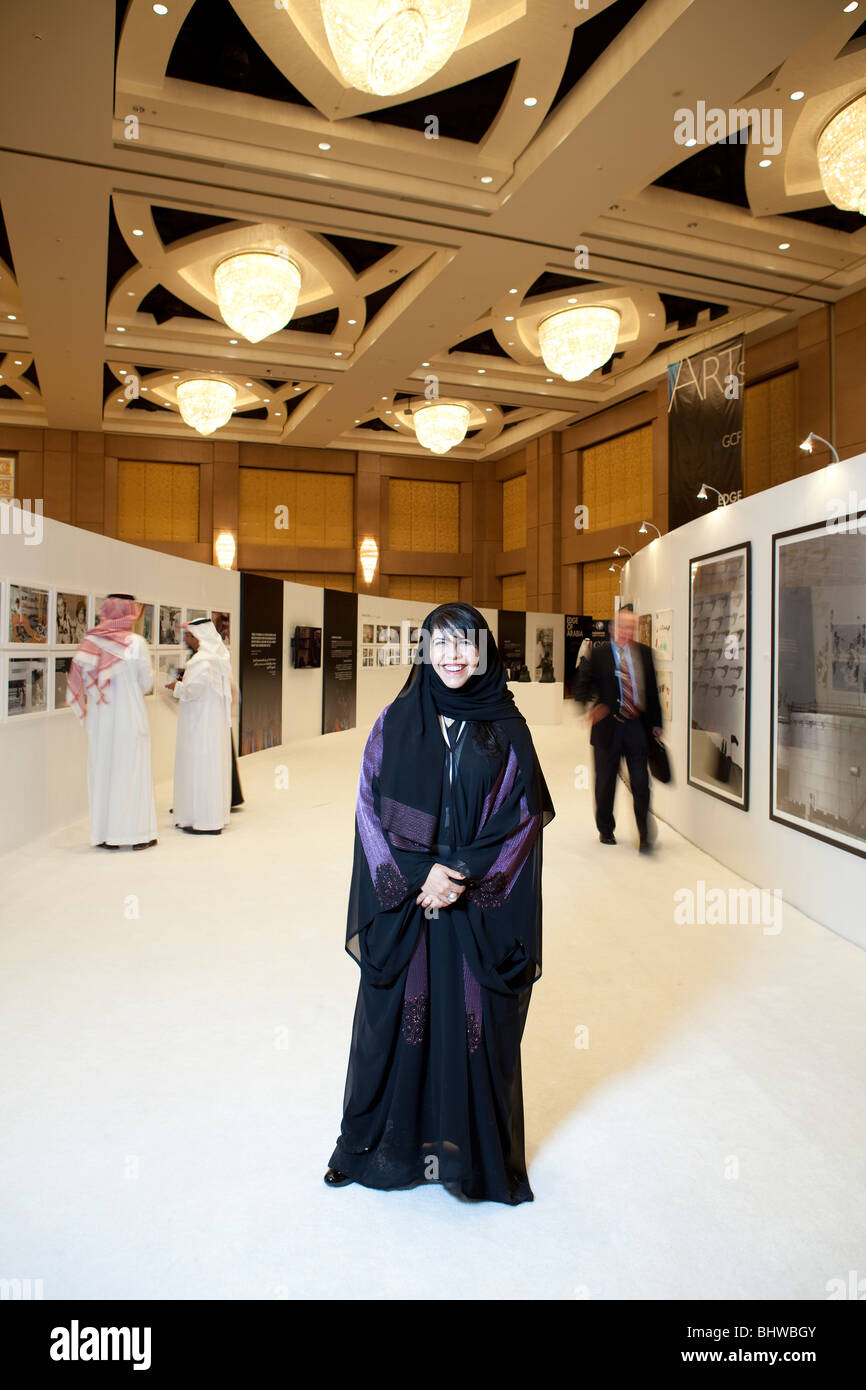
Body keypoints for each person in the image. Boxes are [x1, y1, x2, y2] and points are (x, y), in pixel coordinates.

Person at [326, 602, 555, 1205]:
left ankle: (467, 1155)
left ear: (482, 651)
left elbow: (524, 820)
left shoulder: (507, 727)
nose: (454, 656)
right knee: (399, 1018)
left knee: (471, 1024)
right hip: (407, 897)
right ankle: (378, 1146)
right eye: (441, 643)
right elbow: (368, 811)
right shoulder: (395, 721)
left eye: (466, 643)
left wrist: (458, 874)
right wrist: (415, 873)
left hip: (473, 899)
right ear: (425, 651)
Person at [66, 593, 157, 850]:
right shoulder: (136, 643)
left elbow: (80, 683)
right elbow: (146, 682)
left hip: (101, 721)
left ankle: (106, 835)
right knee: (132, 773)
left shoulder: (90, 642)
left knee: (103, 771)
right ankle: (137, 834)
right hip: (130, 717)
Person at [575, 605, 663, 852]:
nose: (627, 632)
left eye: (631, 628)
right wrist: (589, 709)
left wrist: (657, 724)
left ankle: (644, 833)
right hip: (607, 729)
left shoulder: (644, 654)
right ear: (613, 628)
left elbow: (653, 691)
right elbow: (582, 685)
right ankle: (605, 829)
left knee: (641, 783)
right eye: (623, 627)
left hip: (636, 728)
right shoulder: (599, 654)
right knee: (605, 783)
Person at [168, 618, 232, 834]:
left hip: (199, 724)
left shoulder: (201, 662)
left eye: (189, 635)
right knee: (212, 767)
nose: (187, 639)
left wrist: (176, 686)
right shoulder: (219, 658)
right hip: (213, 724)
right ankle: (213, 816)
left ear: (198, 637)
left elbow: (192, 691)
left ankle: (202, 819)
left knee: (200, 768)